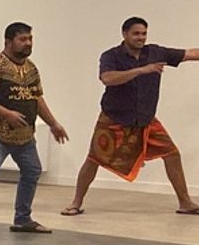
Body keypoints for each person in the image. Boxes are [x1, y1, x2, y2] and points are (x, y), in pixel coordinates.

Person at [62, 17, 199, 216]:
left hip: (145, 119)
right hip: (114, 120)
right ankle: (76, 202)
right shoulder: (111, 56)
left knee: (171, 154)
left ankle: (185, 202)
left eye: (144, 33)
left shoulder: (156, 52)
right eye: (136, 34)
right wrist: (142, 70)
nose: (141, 37)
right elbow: (108, 79)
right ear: (125, 34)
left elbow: (191, 53)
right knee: (93, 159)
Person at [0, 22, 69, 243]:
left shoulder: (31, 69)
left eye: (30, 39)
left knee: (32, 171)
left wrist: (53, 124)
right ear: (8, 42)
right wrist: (6, 114)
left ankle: (23, 219)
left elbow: (37, 98)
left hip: (24, 135)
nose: (28, 43)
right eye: (22, 39)